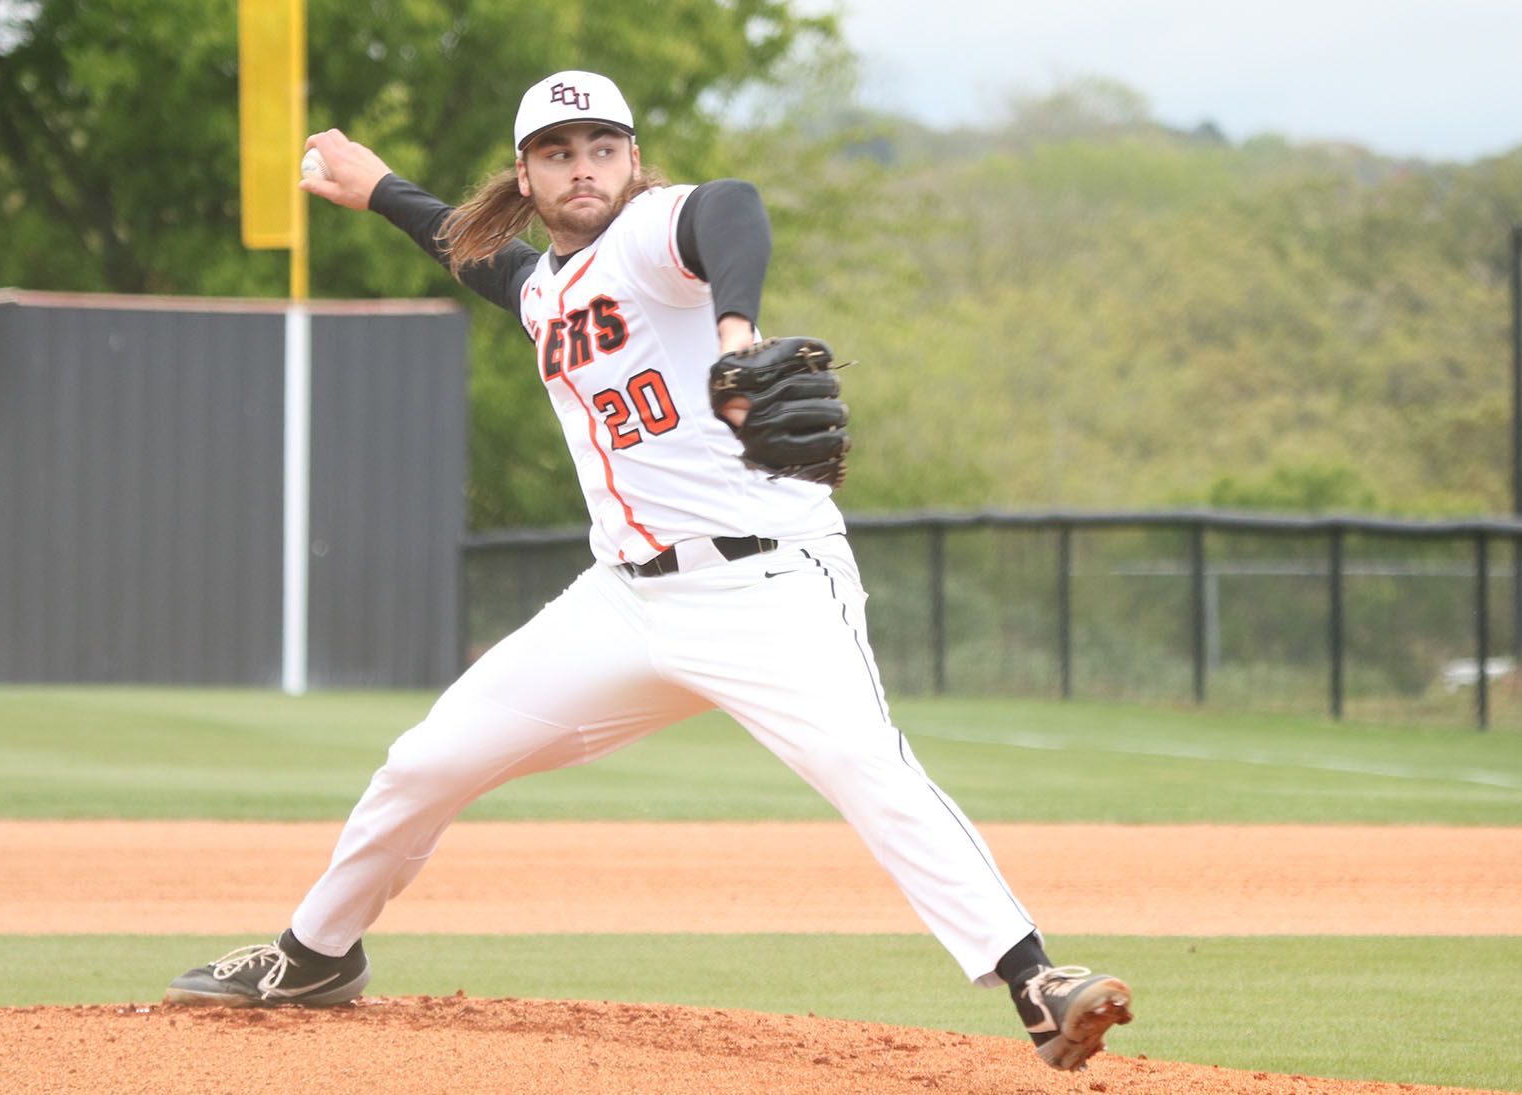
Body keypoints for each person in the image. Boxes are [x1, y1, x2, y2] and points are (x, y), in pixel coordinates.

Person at [164, 69, 1133, 1072]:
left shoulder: (651, 235)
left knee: (861, 763)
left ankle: (1034, 980)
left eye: (600, 148)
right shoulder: (544, 285)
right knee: (424, 762)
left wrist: (735, 334)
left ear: (630, 160)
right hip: (622, 606)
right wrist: (379, 189)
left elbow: (731, 208)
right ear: (527, 176)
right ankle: (314, 955)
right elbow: (473, 254)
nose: (582, 168)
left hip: (765, 588)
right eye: (556, 153)